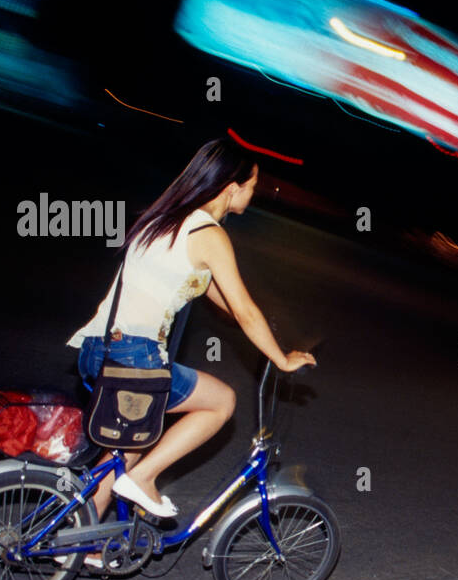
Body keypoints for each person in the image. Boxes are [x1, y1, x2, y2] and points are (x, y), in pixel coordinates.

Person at [68, 137, 315, 530]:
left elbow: (218, 294)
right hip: (135, 358)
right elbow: (244, 309)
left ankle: (82, 542)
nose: (254, 194)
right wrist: (282, 359)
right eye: (252, 186)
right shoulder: (210, 235)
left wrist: (257, 324)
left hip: (97, 350)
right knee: (220, 401)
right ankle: (145, 480)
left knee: (127, 450)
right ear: (232, 187)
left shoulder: (166, 218)